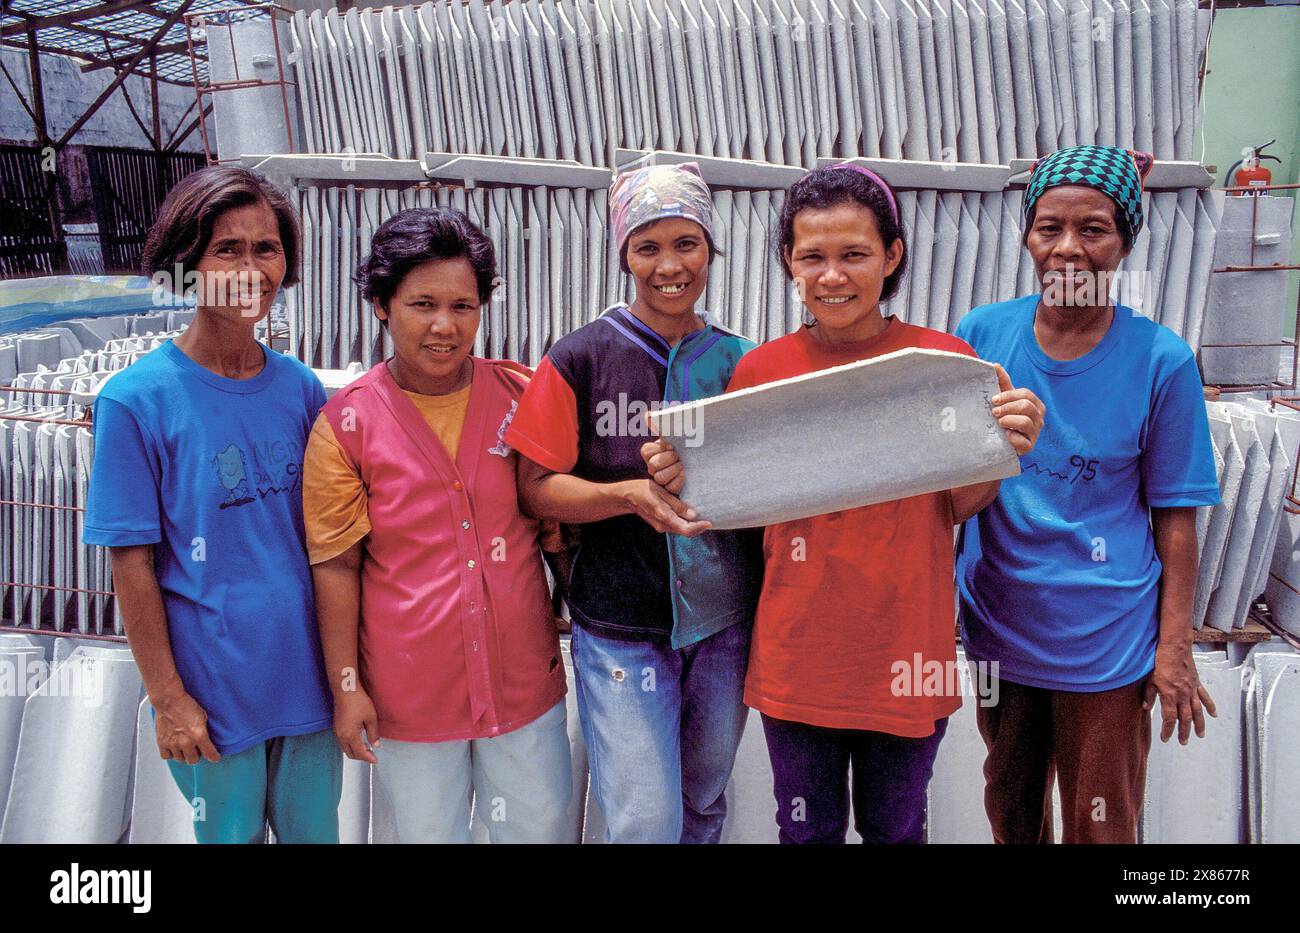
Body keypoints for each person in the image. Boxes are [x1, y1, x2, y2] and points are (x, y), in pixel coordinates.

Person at [643, 164, 1045, 844]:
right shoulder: (759, 373)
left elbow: (961, 503)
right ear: (789, 264)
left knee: (896, 829)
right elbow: (728, 507)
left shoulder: (940, 362)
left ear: (891, 256)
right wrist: (677, 471)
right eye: (813, 257)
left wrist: (1005, 450)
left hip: (904, 652)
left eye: (854, 254)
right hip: (798, 655)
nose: (833, 276)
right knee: (806, 830)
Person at [953, 144, 1220, 844]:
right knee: (1012, 817)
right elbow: (946, 488)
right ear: (1026, 236)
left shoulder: (1160, 359)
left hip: (1106, 647)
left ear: (1125, 241)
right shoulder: (981, 338)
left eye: (1093, 229)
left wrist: (1175, 648)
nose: (1069, 247)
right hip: (999, 635)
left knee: (1102, 828)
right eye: (1050, 227)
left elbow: (1176, 518)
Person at [504, 163, 763, 843]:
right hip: (620, 623)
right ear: (623, 254)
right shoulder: (580, 359)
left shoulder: (743, 364)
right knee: (645, 818)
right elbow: (535, 487)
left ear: (711, 248)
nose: (669, 265)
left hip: (723, 622)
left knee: (704, 799)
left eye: (687, 243)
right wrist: (627, 494)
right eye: (648, 247)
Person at [83, 166, 341, 844]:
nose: (251, 267)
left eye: (267, 248)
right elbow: (131, 565)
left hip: (308, 681)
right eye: (227, 247)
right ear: (185, 263)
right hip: (213, 690)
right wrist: (170, 700)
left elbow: (335, 537)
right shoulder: (136, 401)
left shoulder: (301, 390)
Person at [304, 208, 572, 844]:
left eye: (464, 306)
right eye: (422, 304)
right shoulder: (347, 424)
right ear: (380, 303)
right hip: (409, 690)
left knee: (539, 828)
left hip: (521, 681)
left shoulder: (519, 396)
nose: (445, 327)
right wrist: (348, 687)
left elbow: (558, 515)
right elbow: (337, 566)